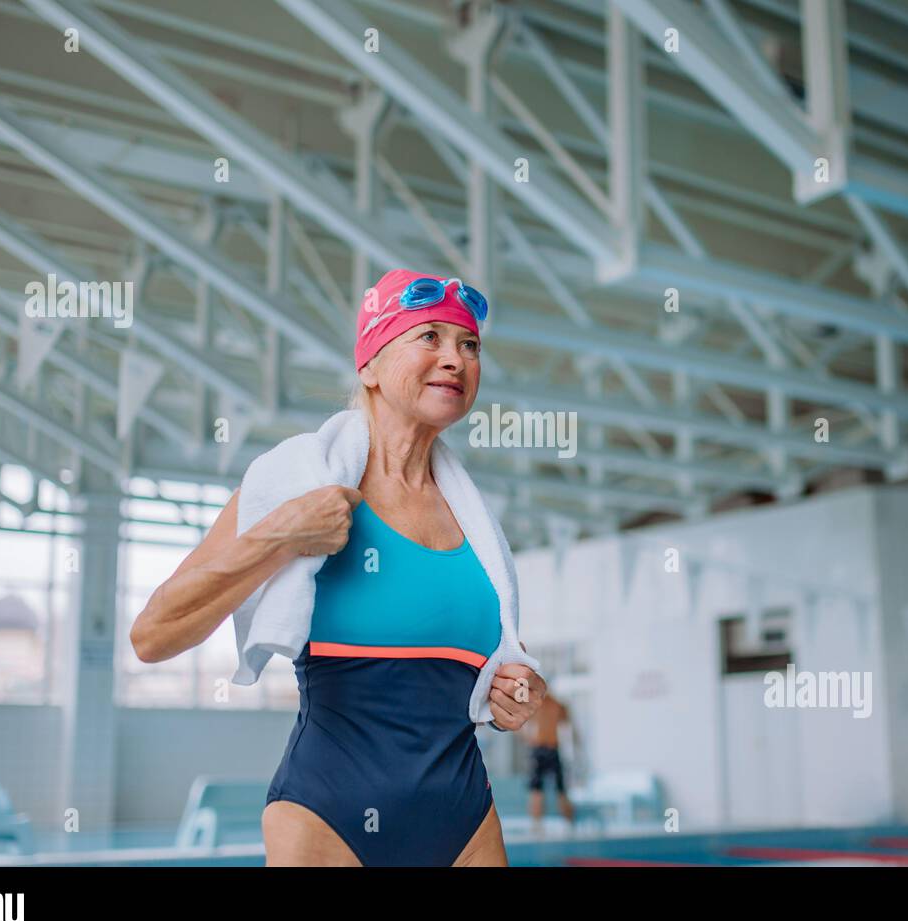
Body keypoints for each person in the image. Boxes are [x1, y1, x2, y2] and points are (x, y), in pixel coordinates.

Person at [130, 268, 546, 865]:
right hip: (328, 815)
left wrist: (521, 689)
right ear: (371, 366)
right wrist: (279, 536)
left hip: (465, 821)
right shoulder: (301, 482)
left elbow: (502, 659)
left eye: (469, 345)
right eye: (428, 337)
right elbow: (152, 635)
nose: (455, 358)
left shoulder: (479, 529)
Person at [526, 694, 576, 832]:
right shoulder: (558, 705)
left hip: (542, 748)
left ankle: (537, 824)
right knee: (558, 789)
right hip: (551, 748)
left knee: (538, 789)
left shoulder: (537, 705)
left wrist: (529, 739)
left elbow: (523, 726)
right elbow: (569, 727)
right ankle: (568, 824)